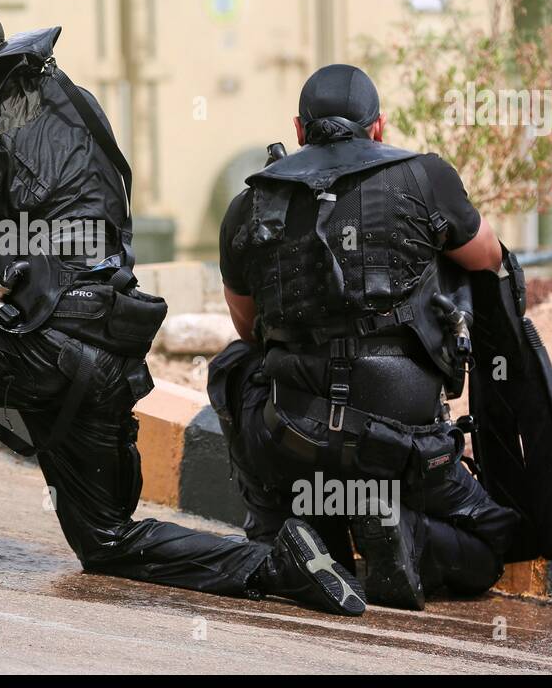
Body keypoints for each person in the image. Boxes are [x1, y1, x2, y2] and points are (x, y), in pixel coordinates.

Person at [0, 0, 365, 616]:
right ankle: (281, 564)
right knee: (108, 542)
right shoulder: (63, 101)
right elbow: (6, 185)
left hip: (44, 345)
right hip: (105, 347)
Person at [210, 63, 521, 610]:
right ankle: (407, 533)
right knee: (490, 545)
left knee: (234, 365)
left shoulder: (247, 205)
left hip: (294, 432)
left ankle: (282, 524)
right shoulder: (426, 177)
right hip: (406, 438)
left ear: (299, 130)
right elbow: (490, 257)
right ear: (379, 128)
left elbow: (246, 325)